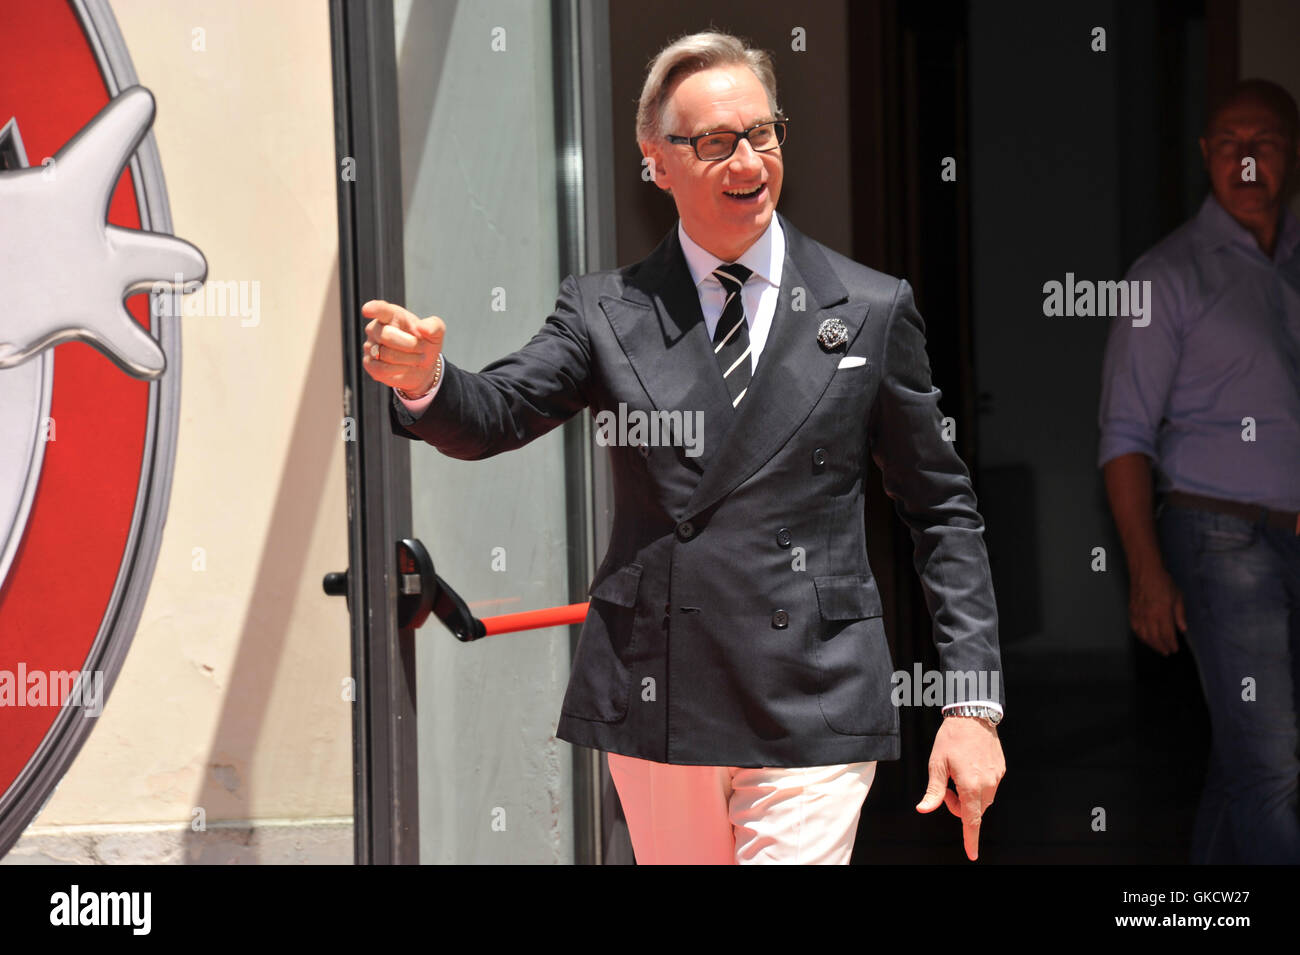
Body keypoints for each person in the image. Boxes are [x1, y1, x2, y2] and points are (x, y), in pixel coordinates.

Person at [361, 31, 1005, 865]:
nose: (747, 160)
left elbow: (942, 510)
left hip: (814, 692)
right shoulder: (605, 312)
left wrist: (971, 703)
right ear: (655, 162)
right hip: (663, 686)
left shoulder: (872, 310)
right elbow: (499, 410)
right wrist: (429, 381)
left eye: (762, 133)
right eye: (713, 141)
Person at [1099, 79, 1300, 864]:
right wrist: (1146, 573)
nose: (1247, 158)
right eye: (1228, 143)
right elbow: (1122, 434)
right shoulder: (1167, 274)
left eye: (1266, 142)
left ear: (1290, 154)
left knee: (1249, 761)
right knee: (1274, 768)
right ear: (1205, 157)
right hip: (1220, 538)